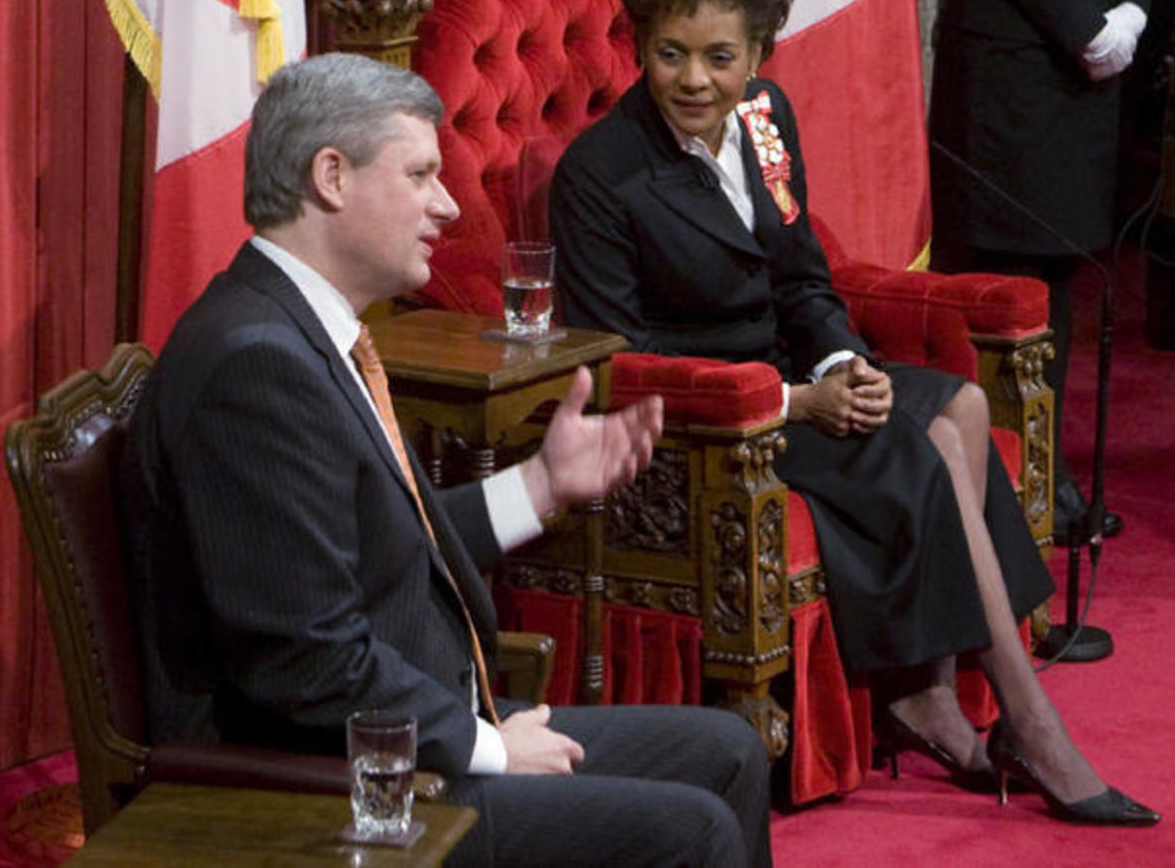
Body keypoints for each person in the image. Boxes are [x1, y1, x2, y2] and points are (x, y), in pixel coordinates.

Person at [550, 0, 1158, 826]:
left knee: (953, 405)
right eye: (670, 54)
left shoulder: (764, 120)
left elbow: (802, 275)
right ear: (640, 42)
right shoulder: (598, 173)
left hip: (799, 376)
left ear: (757, 53)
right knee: (921, 450)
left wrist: (842, 358)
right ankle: (1024, 719)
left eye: (720, 56)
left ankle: (936, 696)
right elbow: (617, 357)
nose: (693, 80)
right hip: (719, 418)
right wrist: (800, 397)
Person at [118, 52, 773, 867]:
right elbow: (303, 662)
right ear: (331, 177)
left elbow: (382, 543)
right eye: (422, 175)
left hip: (411, 734)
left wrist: (541, 485)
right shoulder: (253, 365)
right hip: (327, 785)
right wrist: (488, 748)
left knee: (728, 750)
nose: (449, 204)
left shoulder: (300, 331)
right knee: (691, 831)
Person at [929, 0, 1153, 541]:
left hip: (1083, 71)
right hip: (1016, 69)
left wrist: (1132, 12)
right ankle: (1005, 484)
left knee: (1055, 282)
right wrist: (1086, 27)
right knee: (1012, 281)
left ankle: (1043, 468)